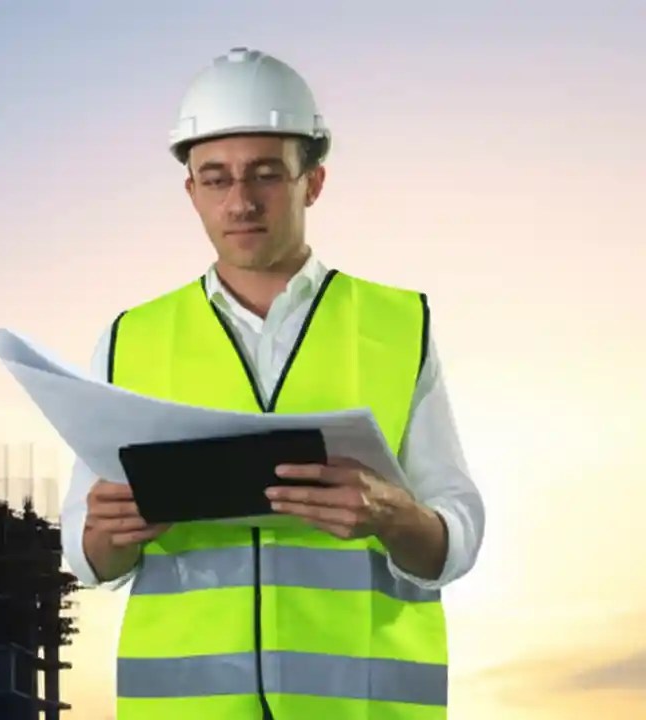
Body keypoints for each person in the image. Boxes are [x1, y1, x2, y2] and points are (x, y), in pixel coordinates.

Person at [59, 47, 486, 719]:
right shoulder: (129, 339)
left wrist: (393, 515)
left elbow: (455, 536)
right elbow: (88, 554)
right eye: (216, 179)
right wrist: (109, 535)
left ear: (313, 182)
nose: (241, 202)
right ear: (191, 192)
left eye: (266, 175)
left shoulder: (397, 325)